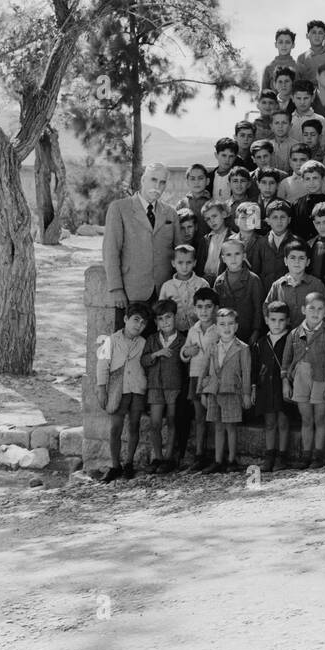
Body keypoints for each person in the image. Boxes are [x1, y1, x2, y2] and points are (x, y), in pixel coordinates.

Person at [102, 163, 178, 318]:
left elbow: (179, 251)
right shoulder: (119, 208)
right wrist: (116, 289)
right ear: (143, 180)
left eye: (162, 182)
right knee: (130, 333)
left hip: (163, 293)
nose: (157, 186)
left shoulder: (170, 213)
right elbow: (110, 251)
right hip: (131, 292)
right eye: (153, 179)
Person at [281, 292, 325, 468]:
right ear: (303, 310)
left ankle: (318, 455)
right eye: (311, 308)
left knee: (320, 417)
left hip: (321, 379)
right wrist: (285, 382)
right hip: (300, 379)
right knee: (306, 418)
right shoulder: (294, 334)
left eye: (320, 309)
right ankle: (306, 454)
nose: (316, 312)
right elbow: (285, 361)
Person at [97, 301, 150, 482]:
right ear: (126, 319)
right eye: (136, 319)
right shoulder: (111, 341)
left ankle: (129, 463)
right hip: (118, 390)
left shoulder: (143, 343)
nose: (139, 325)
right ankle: (115, 465)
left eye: (143, 323)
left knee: (134, 425)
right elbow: (102, 365)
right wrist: (102, 388)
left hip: (137, 389)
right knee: (116, 428)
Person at [198, 306, 253, 474]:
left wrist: (246, 394)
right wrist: (202, 391)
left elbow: (246, 372)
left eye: (230, 324)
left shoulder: (242, 348)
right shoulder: (213, 347)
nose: (226, 328)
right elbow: (204, 369)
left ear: (236, 326)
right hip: (215, 392)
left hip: (232, 391)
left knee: (231, 427)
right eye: (222, 324)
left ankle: (231, 460)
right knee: (218, 427)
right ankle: (218, 460)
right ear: (216, 327)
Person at [142, 298, 185, 474]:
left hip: (174, 386)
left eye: (168, 317)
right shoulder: (152, 340)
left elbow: (185, 362)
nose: (165, 322)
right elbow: (144, 360)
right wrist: (156, 354)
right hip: (155, 386)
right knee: (155, 423)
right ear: (156, 322)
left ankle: (168, 458)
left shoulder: (182, 340)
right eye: (160, 319)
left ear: (175, 317)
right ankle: (158, 457)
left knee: (173, 421)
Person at [180, 286, 220, 472]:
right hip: (196, 376)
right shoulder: (193, 330)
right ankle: (199, 454)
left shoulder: (219, 329)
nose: (204, 311)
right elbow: (184, 352)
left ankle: (218, 455)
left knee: (215, 416)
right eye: (200, 307)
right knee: (199, 416)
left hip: (212, 377)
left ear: (215, 308)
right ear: (195, 309)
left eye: (208, 306)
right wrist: (187, 352)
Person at [253, 301, 293, 472]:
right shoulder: (261, 342)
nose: (277, 324)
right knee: (269, 422)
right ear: (266, 320)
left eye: (281, 320)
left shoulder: (291, 339)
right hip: (266, 389)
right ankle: (269, 456)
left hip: (283, 387)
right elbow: (255, 367)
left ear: (288, 321)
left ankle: (282, 456)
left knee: (283, 421)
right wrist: (253, 387)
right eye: (273, 320)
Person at [212, 235, 265, 345]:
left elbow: (258, 309)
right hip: (225, 334)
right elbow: (215, 309)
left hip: (246, 332)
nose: (233, 258)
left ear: (244, 256)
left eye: (237, 254)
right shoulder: (219, 281)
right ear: (223, 258)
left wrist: (256, 332)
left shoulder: (253, 279)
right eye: (228, 255)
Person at [267, 240, 325, 330]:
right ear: (285, 261)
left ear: (308, 262)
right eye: (292, 258)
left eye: (301, 258)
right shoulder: (277, 285)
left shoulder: (316, 285)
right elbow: (267, 308)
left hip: (310, 334)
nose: (297, 262)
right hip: (284, 334)